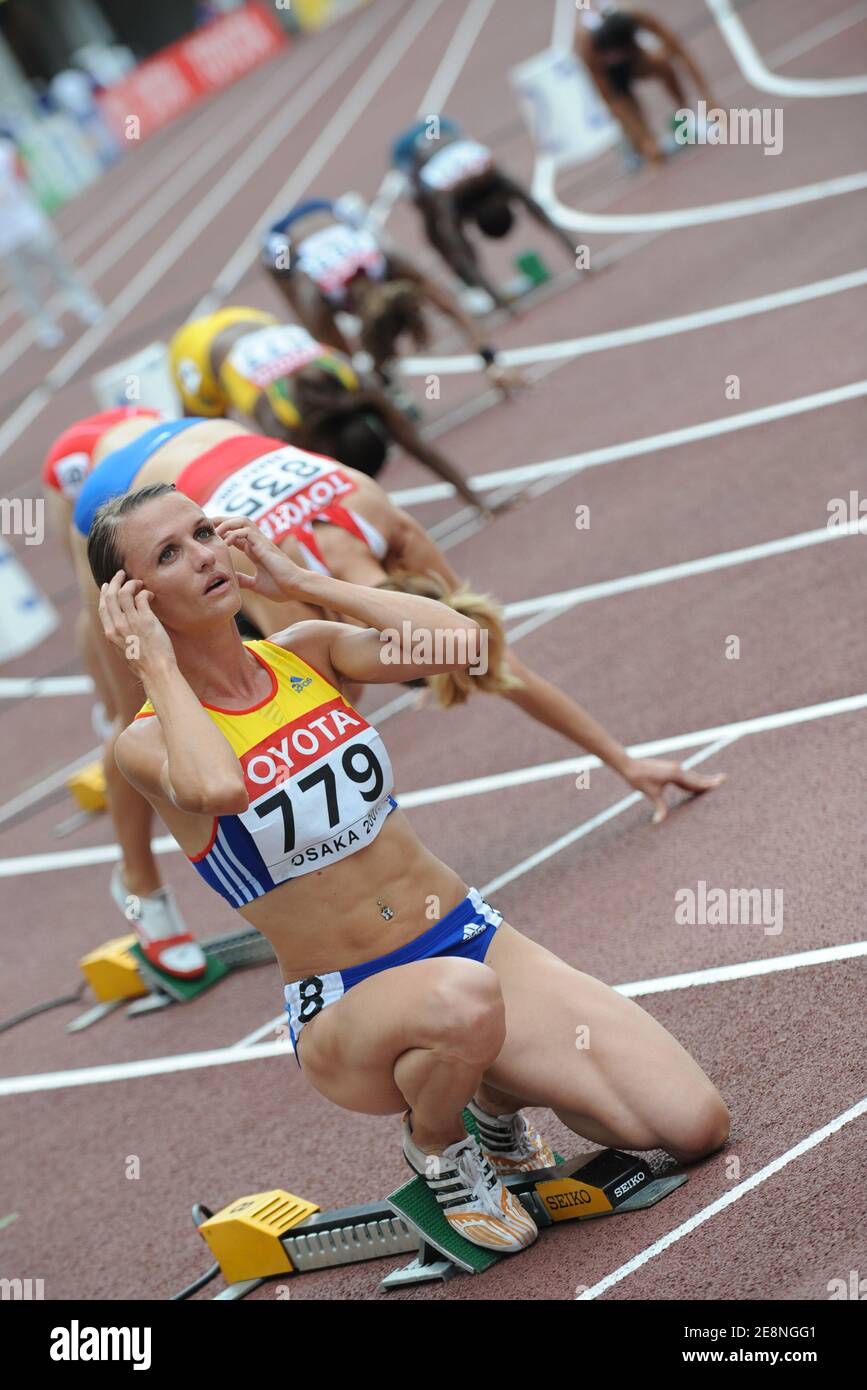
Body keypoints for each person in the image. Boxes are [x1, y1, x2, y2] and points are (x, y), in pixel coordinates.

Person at [91, 484, 730, 1251]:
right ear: (134, 602)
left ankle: (492, 1105)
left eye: (201, 533)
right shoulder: (146, 740)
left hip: (470, 941)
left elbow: (461, 646)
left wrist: (300, 583)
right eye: (168, 555)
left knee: (691, 1126)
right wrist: (151, 662)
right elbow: (217, 788)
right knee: (461, 1003)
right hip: (351, 1009)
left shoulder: (306, 655)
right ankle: (437, 1144)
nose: (200, 555)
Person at [81, 424, 726, 823]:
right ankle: (145, 899)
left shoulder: (386, 523)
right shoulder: (279, 589)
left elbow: (481, 655)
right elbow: (306, 710)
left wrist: (623, 760)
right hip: (116, 482)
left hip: (207, 435)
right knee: (130, 714)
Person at [167, 306, 492, 511]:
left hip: (250, 319)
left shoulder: (359, 388)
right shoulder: (282, 422)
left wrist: (477, 498)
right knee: (207, 449)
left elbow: (416, 443)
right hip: (196, 353)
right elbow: (292, 501)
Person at [261, 198, 521, 394]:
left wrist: (491, 361)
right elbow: (339, 360)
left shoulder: (388, 262)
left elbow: (452, 307)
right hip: (281, 241)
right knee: (318, 335)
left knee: (366, 227)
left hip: (329, 211)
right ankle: (383, 377)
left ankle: (382, 375)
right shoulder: (317, 296)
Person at [392, 116, 578, 311]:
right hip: (409, 150)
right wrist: (582, 261)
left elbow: (541, 214)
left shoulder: (492, 173)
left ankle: (473, 287)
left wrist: (501, 302)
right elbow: (543, 218)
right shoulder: (451, 193)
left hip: (441, 128)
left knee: (446, 238)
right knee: (432, 220)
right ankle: (472, 287)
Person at [0, 127, 103, 348]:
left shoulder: (6, 151)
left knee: (59, 267)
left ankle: (85, 304)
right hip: (5, 238)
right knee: (25, 286)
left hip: (28, 223)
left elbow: (24, 176)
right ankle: (44, 325)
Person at [575, 7, 715, 166]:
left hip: (635, 59)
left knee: (662, 63)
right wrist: (644, 138)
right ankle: (631, 143)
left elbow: (680, 52)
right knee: (646, 145)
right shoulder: (588, 47)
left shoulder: (636, 17)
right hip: (610, 76)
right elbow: (610, 99)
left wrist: (707, 97)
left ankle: (684, 114)